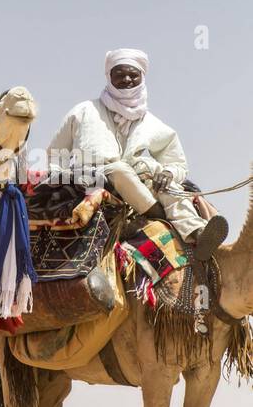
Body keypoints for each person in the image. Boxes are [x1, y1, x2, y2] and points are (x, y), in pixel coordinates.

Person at [47, 48, 226, 260]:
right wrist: (58, 183)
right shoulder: (83, 111)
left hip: (138, 183)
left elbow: (177, 163)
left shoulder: (152, 123)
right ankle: (158, 216)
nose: (127, 79)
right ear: (109, 77)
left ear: (142, 78)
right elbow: (55, 154)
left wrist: (168, 172)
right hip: (90, 180)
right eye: (120, 74)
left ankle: (198, 232)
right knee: (120, 169)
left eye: (133, 74)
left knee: (165, 181)